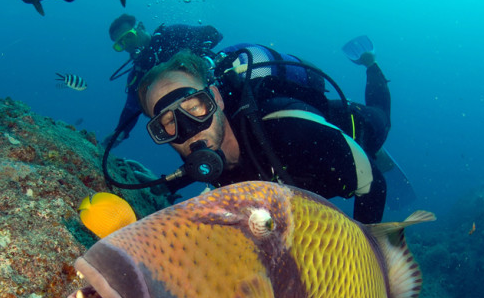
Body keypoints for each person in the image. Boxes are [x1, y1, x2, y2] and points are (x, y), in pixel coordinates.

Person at [134, 41, 392, 223]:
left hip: (352, 128)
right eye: (168, 123)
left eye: (194, 107)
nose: (189, 130)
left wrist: (367, 255)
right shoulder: (206, 147)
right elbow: (208, 157)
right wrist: (168, 184)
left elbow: (375, 185)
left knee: (382, 118)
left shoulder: (289, 127)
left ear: (216, 98)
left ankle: (371, 62)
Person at [107, 14, 223, 142]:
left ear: (140, 27)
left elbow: (215, 34)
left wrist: (192, 54)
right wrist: (120, 132)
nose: (128, 44)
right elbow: (132, 107)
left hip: (217, 96)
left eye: (129, 36)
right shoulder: (137, 74)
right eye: (121, 44)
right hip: (190, 120)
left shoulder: (170, 35)